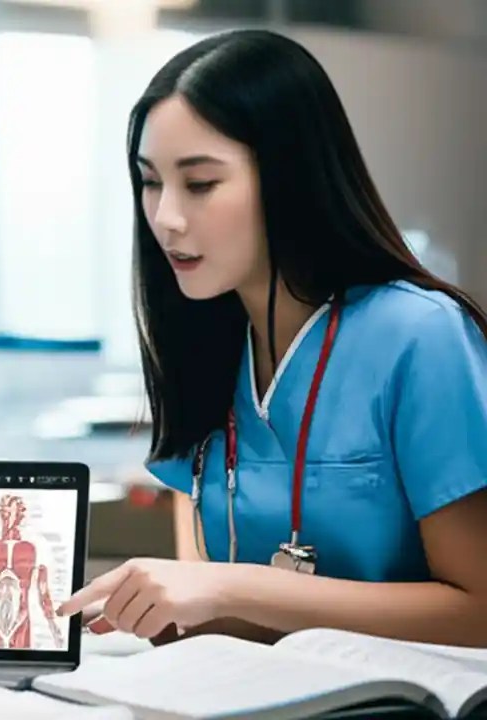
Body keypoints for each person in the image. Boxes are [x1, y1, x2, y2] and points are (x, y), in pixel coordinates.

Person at [59, 29, 487, 648]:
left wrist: (233, 590)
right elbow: (199, 610)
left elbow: (480, 613)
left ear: (291, 176)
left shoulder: (421, 337)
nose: (166, 217)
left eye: (200, 184)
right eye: (150, 182)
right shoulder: (202, 345)